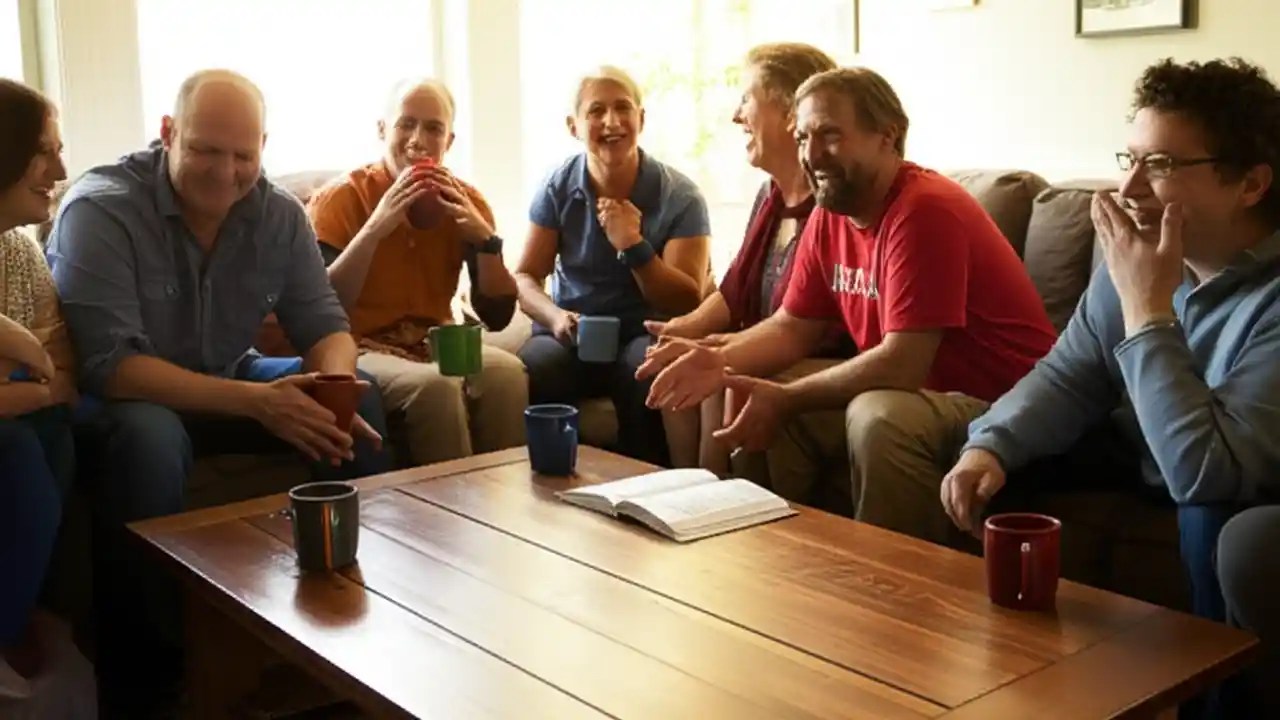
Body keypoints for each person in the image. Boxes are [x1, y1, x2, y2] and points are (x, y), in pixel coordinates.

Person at [938, 57, 1280, 718]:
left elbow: (1207, 472)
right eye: (1131, 157)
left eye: (1161, 166)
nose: (1129, 187)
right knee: (987, 457)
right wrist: (992, 447)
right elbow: (1071, 373)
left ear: (1251, 183)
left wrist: (1149, 310)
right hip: (1162, 455)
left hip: (1237, 485)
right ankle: (1009, 689)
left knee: (1217, 522)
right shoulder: (1139, 252)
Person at [45, 69, 391, 715]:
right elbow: (111, 368)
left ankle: (363, 627)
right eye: (206, 149)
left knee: (360, 395)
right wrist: (260, 402)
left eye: (244, 155)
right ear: (168, 133)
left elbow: (324, 325)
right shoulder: (100, 208)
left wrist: (335, 381)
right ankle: (151, 677)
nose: (225, 171)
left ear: (263, 148)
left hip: (230, 376)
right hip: (124, 403)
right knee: (151, 437)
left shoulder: (278, 214)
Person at [638, 67, 1057, 540]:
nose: (812, 155)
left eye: (831, 136)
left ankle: (887, 588)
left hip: (1004, 405)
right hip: (926, 396)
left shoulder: (923, 210)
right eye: (803, 137)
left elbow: (903, 365)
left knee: (876, 414)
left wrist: (789, 398)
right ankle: (776, 567)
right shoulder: (830, 213)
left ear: (888, 137)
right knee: (762, 393)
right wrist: (717, 360)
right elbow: (793, 326)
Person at [648, 42, 854, 474]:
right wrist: (679, 331)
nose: (735, 116)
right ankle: (683, 494)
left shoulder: (833, 202)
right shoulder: (771, 196)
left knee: (717, 379)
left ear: (790, 114)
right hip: (772, 344)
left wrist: (718, 350)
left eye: (746, 99)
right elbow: (735, 290)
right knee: (678, 360)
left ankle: (708, 506)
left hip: (823, 356)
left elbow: (808, 329)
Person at [308, 78, 526, 464]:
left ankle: (507, 506)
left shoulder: (466, 200)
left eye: (433, 128)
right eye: (405, 124)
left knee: (506, 372)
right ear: (382, 130)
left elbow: (497, 316)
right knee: (435, 388)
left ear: (449, 141)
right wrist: (377, 226)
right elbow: (323, 309)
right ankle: (450, 516)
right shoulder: (341, 199)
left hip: (433, 342)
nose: (418, 139)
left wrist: (486, 241)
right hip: (359, 345)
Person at [514, 65, 711, 466]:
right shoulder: (556, 186)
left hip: (646, 330)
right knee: (537, 364)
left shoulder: (681, 196)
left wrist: (633, 245)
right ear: (574, 126)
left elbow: (685, 298)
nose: (611, 122)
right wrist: (554, 318)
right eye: (596, 111)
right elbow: (525, 276)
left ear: (641, 118)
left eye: (623, 108)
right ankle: (551, 481)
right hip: (572, 333)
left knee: (643, 365)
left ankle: (645, 482)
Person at [0, 78, 95, 716]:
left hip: (26, 420)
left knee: (61, 432)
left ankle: (35, 620)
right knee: (19, 449)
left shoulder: (21, 251)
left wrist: (31, 385)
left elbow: (61, 374)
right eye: (43, 151)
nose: (61, 170)